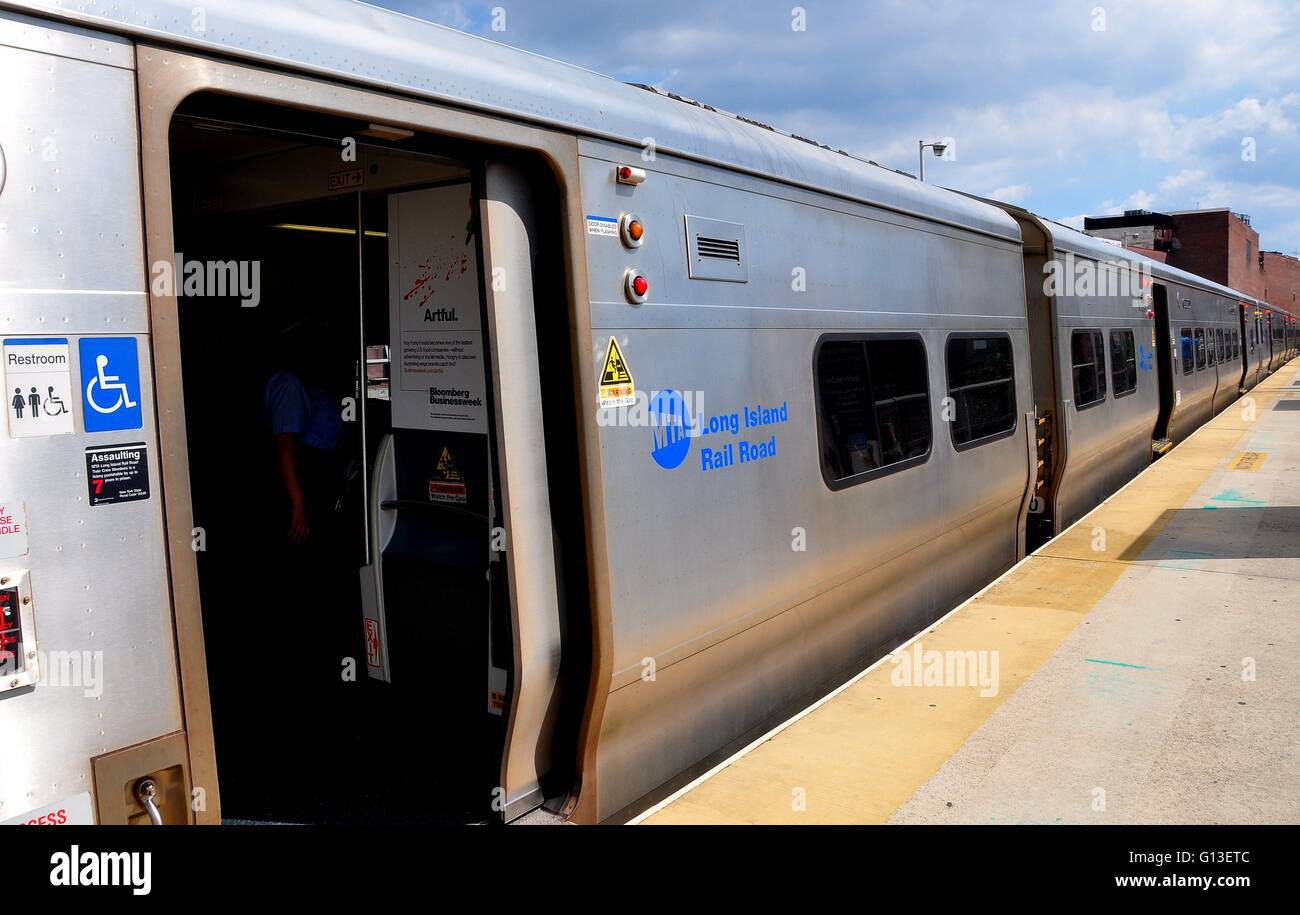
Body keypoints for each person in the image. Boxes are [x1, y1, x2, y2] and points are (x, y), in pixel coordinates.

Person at [263, 321, 347, 546]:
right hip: (305, 471)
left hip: (317, 469)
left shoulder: (306, 384)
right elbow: (285, 443)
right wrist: (298, 502)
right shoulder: (288, 383)